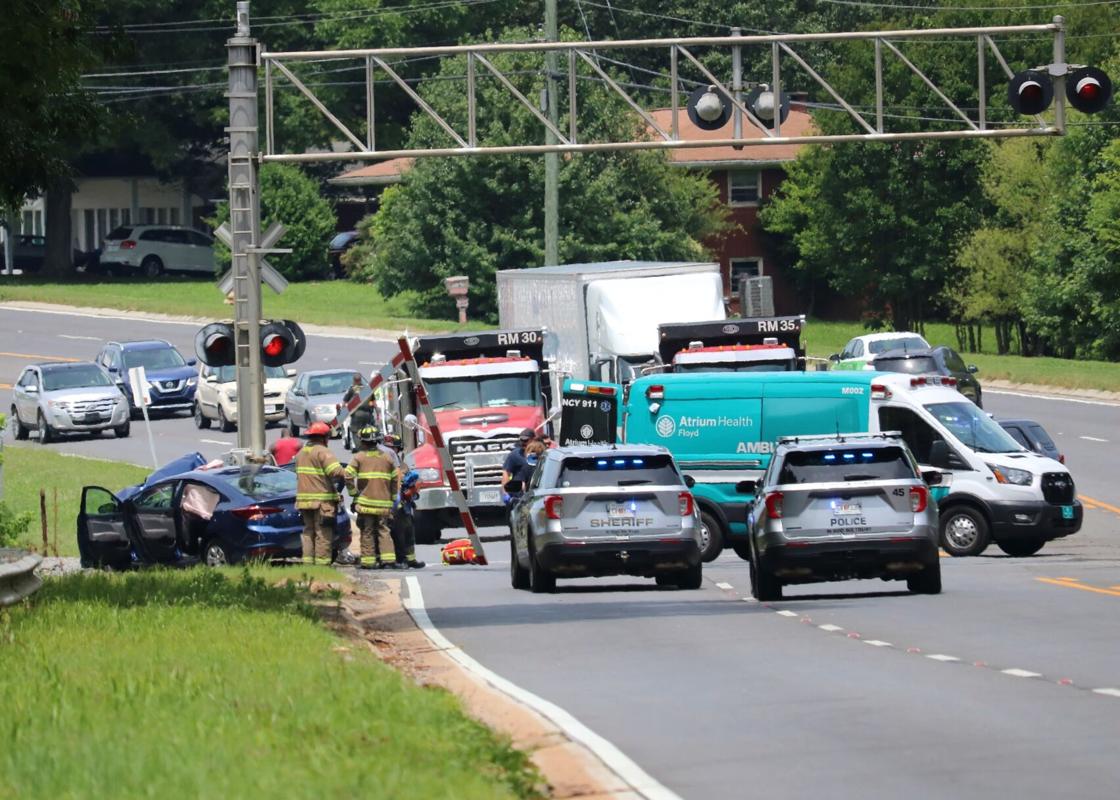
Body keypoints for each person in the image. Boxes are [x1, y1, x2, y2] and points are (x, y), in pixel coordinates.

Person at [345, 425, 399, 568]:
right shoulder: (387, 458)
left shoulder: (359, 457)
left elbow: (347, 475)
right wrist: (393, 498)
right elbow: (395, 479)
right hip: (383, 504)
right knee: (384, 531)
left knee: (367, 531)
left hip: (366, 504)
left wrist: (354, 494)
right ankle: (388, 561)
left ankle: (369, 563)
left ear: (362, 441)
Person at [294, 422, 346, 565]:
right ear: (324, 437)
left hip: (304, 502)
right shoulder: (323, 451)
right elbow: (335, 471)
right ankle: (322, 566)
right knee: (323, 534)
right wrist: (351, 472)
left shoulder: (301, 453)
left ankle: (308, 565)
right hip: (322, 502)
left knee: (308, 533)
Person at [390, 468, 426, 569]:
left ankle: (411, 560)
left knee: (409, 535)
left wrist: (413, 492)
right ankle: (401, 560)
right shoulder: (391, 467)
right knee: (399, 536)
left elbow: (411, 493)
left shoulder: (400, 467)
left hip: (406, 509)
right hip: (397, 510)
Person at [342, 373, 374, 452]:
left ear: (354, 380)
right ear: (360, 380)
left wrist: (344, 412)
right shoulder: (368, 389)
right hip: (368, 414)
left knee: (355, 431)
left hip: (357, 414)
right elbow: (373, 402)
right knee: (367, 430)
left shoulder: (352, 389)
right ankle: (369, 446)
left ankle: (360, 448)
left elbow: (344, 402)